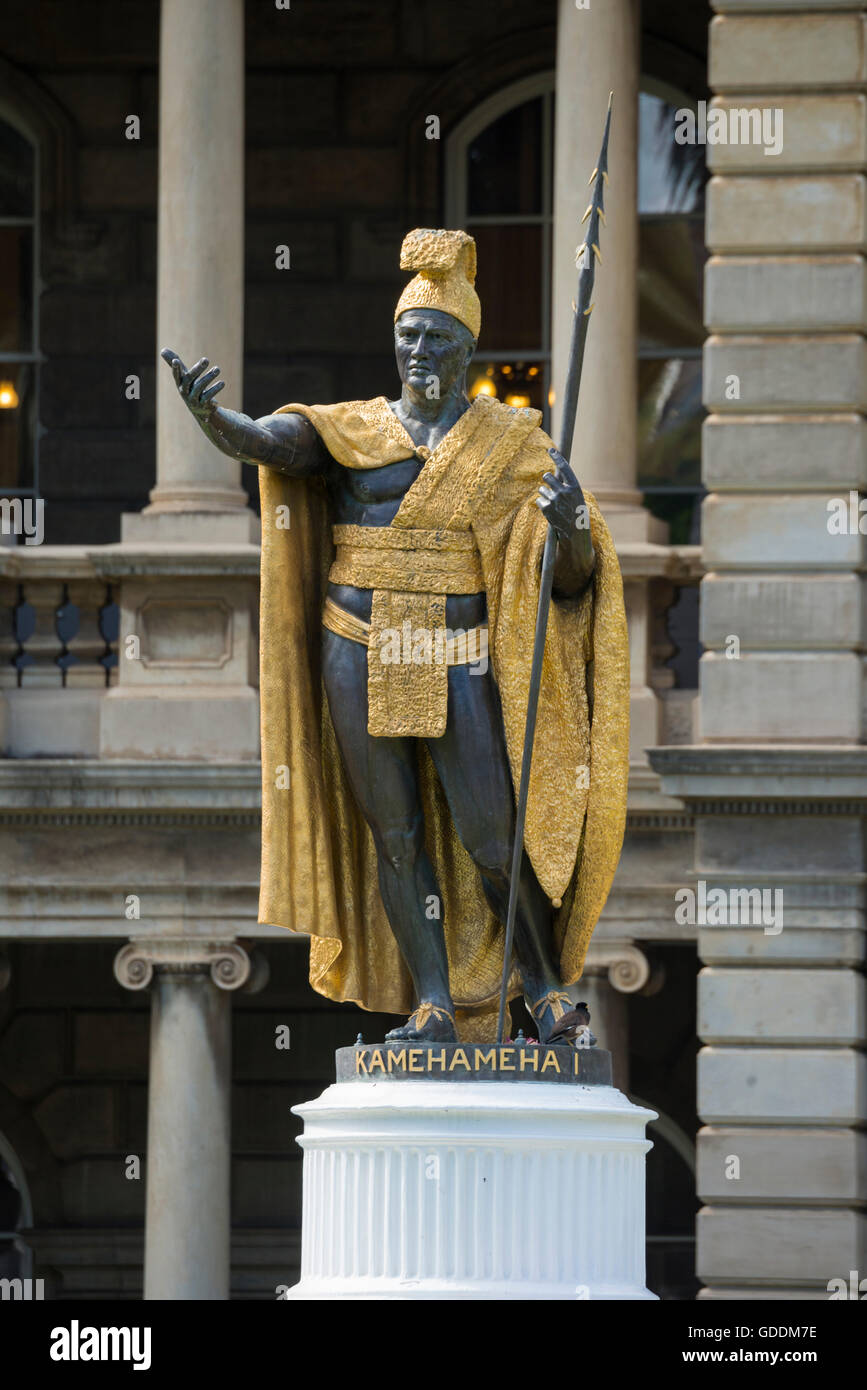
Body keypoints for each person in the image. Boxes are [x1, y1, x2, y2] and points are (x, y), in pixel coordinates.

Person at [162, 227, 629, 1044]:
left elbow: (574, 576)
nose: (418, 350)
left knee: (492, 832)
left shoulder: (511, 444)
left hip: (460, 651)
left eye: (435, 338)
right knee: (397, 833)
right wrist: (214, 420)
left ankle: (546, 988)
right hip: (360, 643)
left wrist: (572, 528)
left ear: (466, 348)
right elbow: (271, 442)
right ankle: (433, 1002)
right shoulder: (352, 430)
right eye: (407, 336)